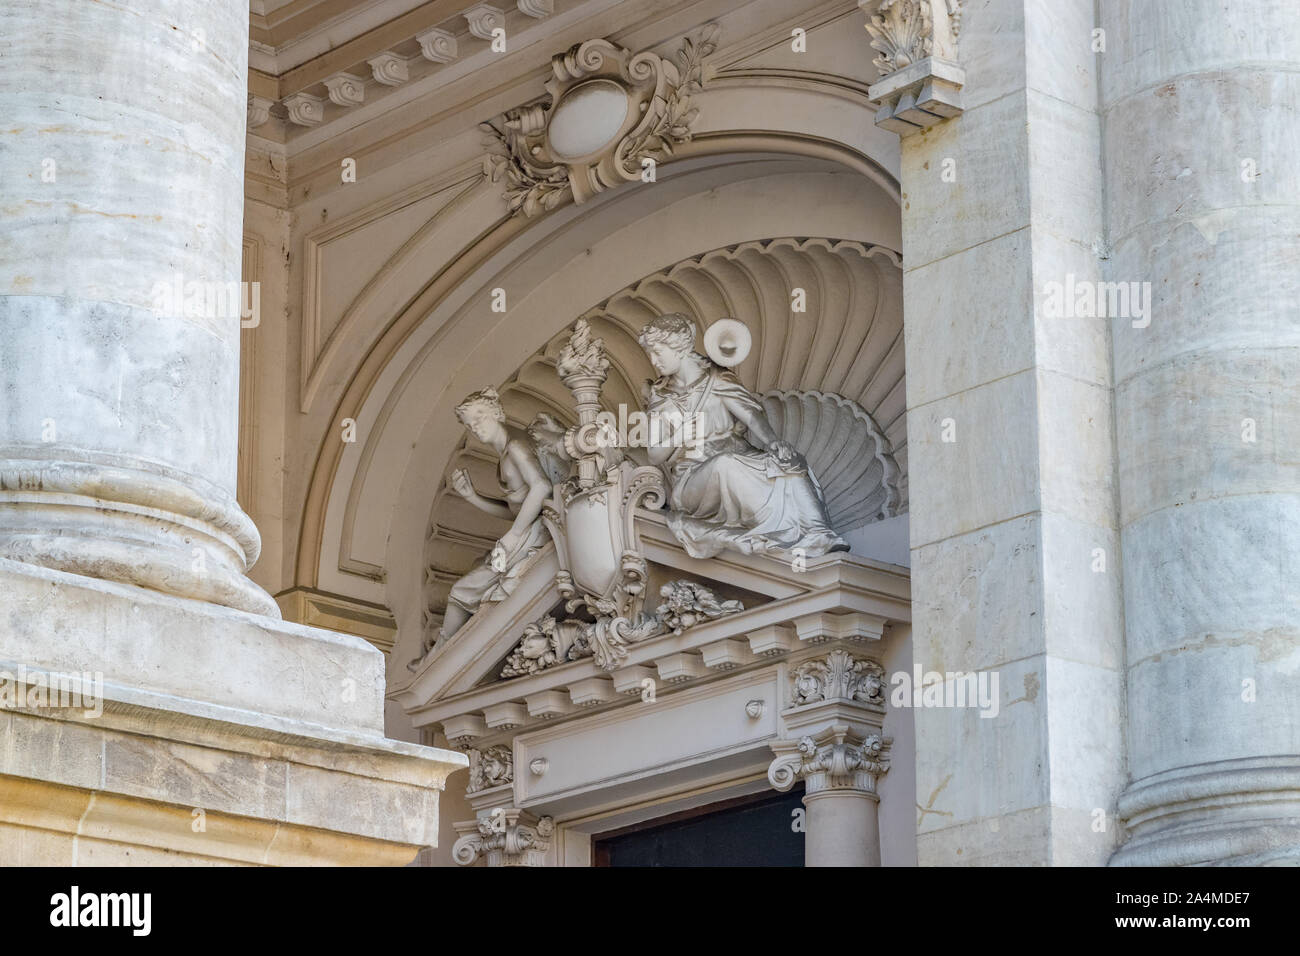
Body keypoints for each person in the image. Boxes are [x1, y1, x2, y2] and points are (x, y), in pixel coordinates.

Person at [637, 313, 848, 559]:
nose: (653, 361)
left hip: (736, 454)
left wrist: (773, 442)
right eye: (650, 354)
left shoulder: (716, 379)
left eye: (657, 352)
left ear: (679, 347)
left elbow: (749, 414)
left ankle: (817, 533)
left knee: (786, 461)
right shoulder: (661, 397)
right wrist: (680, 435)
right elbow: (653, 454)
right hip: (692, 478)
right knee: (725, 464)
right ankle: (774, 532)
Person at [432, 387, 552, 650]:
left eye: (479, 417)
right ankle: (445, 653)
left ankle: (439, 656)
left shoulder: (516, 448)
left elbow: (542, 487)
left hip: (535, 533)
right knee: (473, 580)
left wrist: (514, 535)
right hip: (528, 530)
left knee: (461, 591)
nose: (475, 427)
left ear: (496, 413)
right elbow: (516, 511)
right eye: (469, 424)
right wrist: (472, 497)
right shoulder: (506, 454)